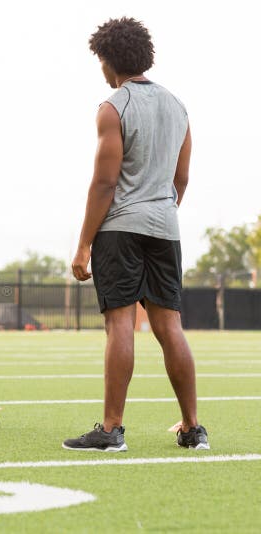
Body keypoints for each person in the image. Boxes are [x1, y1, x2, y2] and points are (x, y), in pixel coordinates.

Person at [65, 18, 209, 451]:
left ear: (109, 61)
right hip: (165, 228)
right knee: (170, 326)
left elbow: (104, 183)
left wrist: (84, 244)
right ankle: (192, 428)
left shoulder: (113, 107)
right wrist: (161, 211)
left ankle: (111, 429)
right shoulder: (178, 107)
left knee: (120, 324)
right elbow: (181, 178)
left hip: (120, 230)